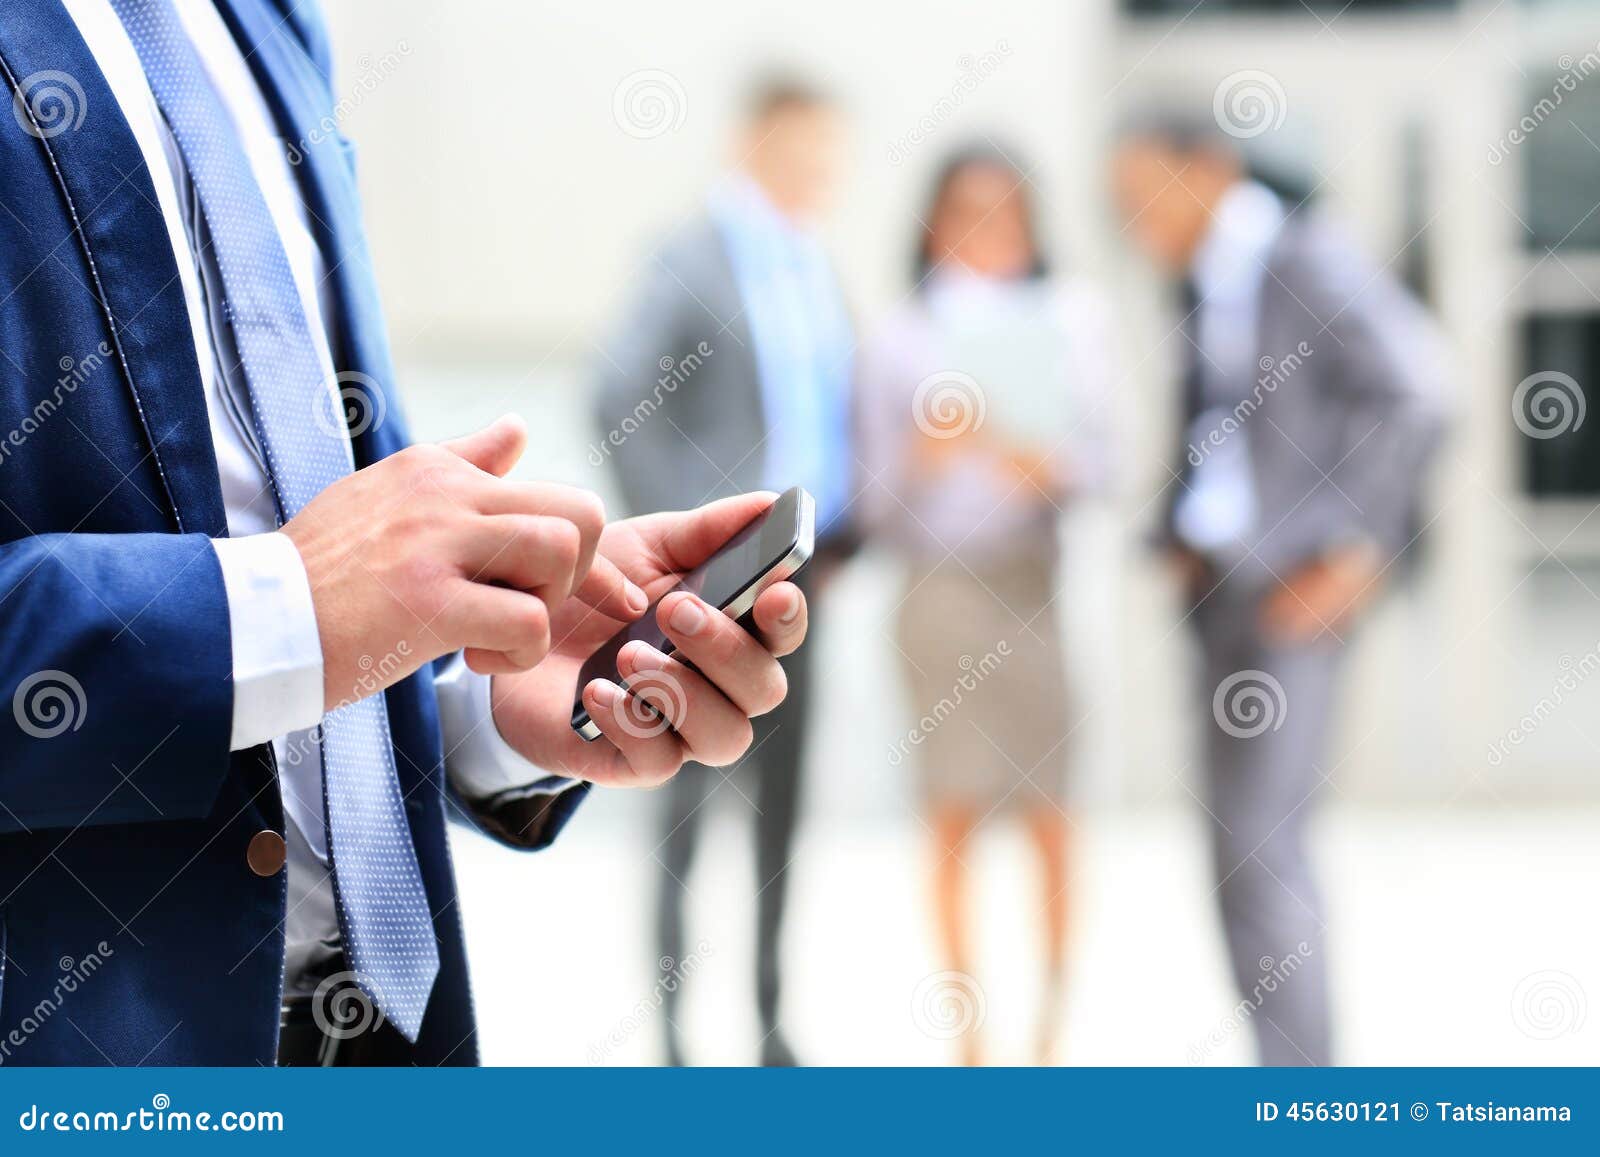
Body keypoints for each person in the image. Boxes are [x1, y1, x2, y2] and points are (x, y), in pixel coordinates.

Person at [0, 0, 808, 1066]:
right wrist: (288, 604)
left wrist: (473, 695)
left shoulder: (270, 24)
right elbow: (294, 592)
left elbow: (292, 532)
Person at [1111, 114, 1450, 1065]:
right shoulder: (1201, 278)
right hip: (1221, 591)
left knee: (1264, 845)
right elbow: (1222, 434)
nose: (1134, 220)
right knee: (1232, 849)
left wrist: (1355, 547)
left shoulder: (1304, 258)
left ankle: (1303, 1090)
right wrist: (1178, 529)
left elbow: (1421, 389)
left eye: (1146, 195)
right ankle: (1281, 1072)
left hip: (1292, 598)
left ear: (1207, 169)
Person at [594, 76, 856, 1067]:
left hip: (804, 585)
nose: (823, 171)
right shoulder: (693, 253)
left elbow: (829, 418)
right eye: (807, 147)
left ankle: (768, 1018)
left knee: (785, 807)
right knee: (681, 804)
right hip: (711, 592)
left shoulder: (815, 266)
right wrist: (689, 558)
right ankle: (668, 1031)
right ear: (756, 138)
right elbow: (617, 387)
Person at [858, 146, 1115, 1066]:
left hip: (1031, 589)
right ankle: (969, 1033)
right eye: (966, 212)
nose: (986, 231)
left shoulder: (1072, 319)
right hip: (938, 592)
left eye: (1005, 213)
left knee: (1053, 807)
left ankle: (1048, 1029)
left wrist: (1028, 451)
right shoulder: (899, 335)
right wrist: (929, 450)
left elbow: (1104, 469)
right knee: (951, 806)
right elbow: (872, 506)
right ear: (933, 223)